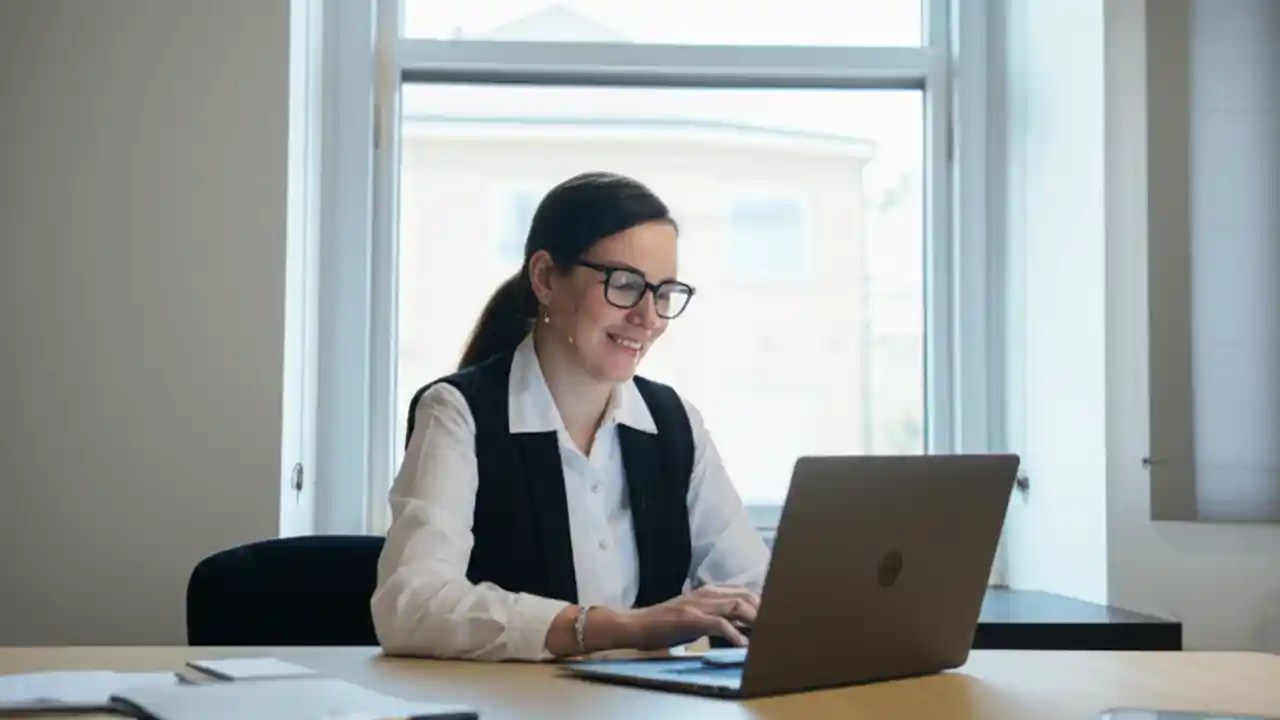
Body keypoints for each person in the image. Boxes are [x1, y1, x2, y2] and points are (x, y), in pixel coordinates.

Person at [372, 171, 770, 661]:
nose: (648, 317)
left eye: (664, 293)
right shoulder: (459, 413)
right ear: (544, 278)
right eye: (624, 285)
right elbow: (411, 606)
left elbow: (755, 592)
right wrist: (619, 627)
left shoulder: (674, 423)